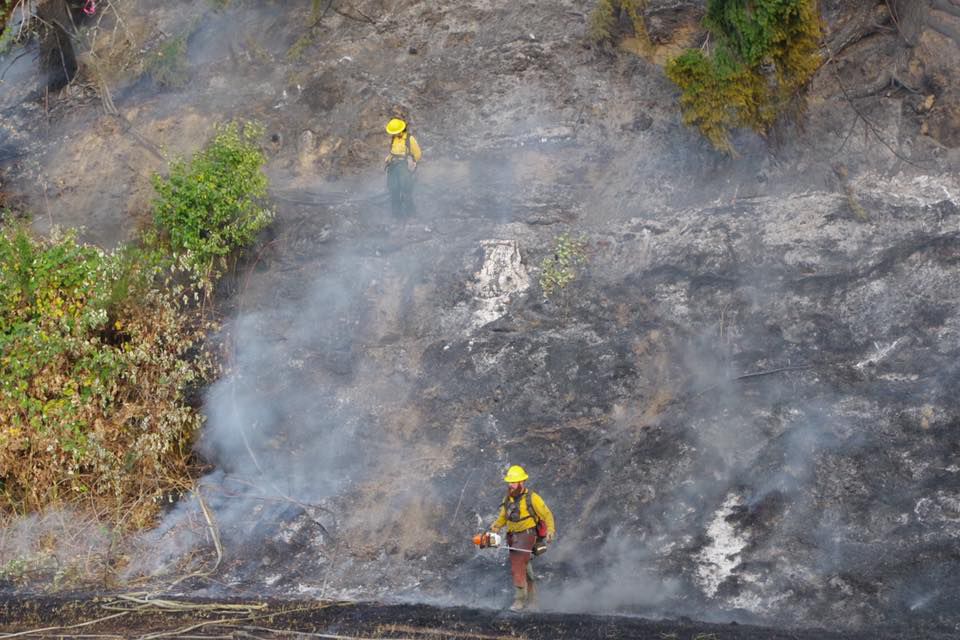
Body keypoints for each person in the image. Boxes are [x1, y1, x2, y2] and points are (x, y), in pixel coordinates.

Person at [489, 465, 556, 611]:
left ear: (521, 482)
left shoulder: (532, 498)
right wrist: (496, 527)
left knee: (517, 564)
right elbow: (503, 517)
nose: (510, 485)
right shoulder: (507, 499)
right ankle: (533, 601)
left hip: (527, 535)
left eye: (513, 482)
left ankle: (519, 600)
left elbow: (547, 514)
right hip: (512, 537)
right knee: (525, 567)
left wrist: (551, 530)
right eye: (509, 482)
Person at [383, 117, 422, 218]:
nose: (393, 134)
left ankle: (411, 215)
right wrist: (388, 158)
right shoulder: (394, 139)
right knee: (394, 191)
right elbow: (393, 152)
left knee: (406, 192)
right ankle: (397, 216)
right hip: (393, 167)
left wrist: (412, 162)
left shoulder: (409, 139)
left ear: (400, 130)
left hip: (404, 168)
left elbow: (417, 154)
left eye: (395, 132)